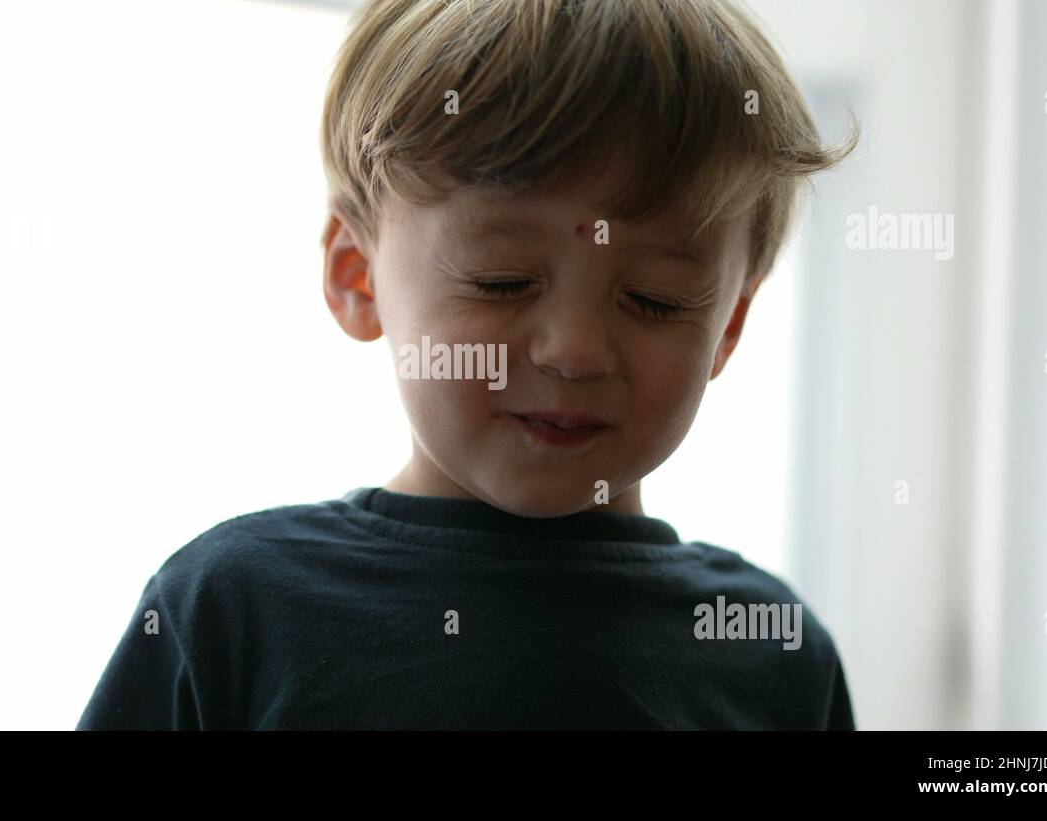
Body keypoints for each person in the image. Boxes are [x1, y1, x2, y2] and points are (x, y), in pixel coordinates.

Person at [77, 0, 858, 730]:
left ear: (729, 328)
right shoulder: (233, 608)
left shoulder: (775, 652)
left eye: (655, 300)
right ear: (358, 277)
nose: (575, 351)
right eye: (503, 283)